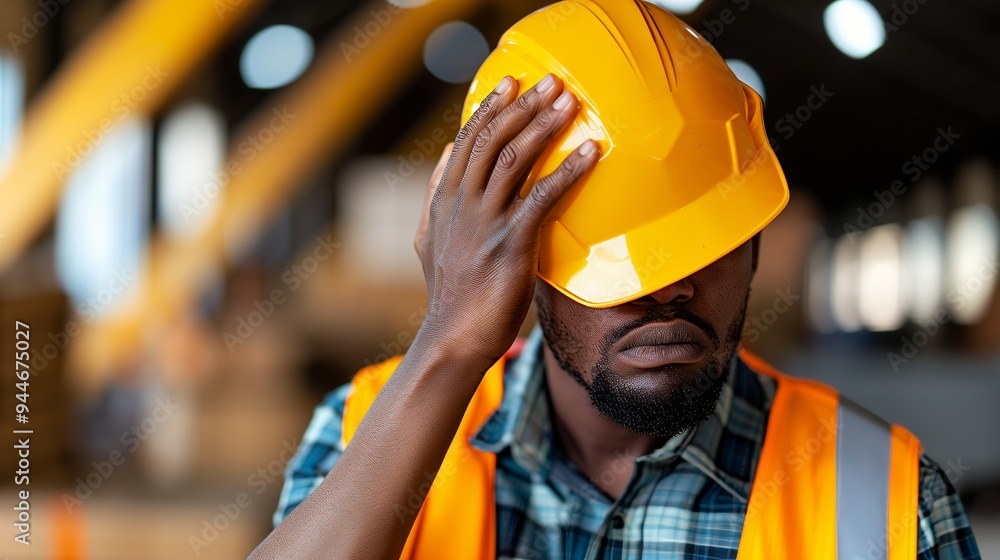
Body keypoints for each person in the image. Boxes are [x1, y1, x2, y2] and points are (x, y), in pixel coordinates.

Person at [250, 0, 981, 558]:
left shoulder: (886, 503)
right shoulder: (364, 431)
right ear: (513, 263)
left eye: (704, 241)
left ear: (754, 241)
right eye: (619, 259)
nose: (667, 289)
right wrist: (450, 337)